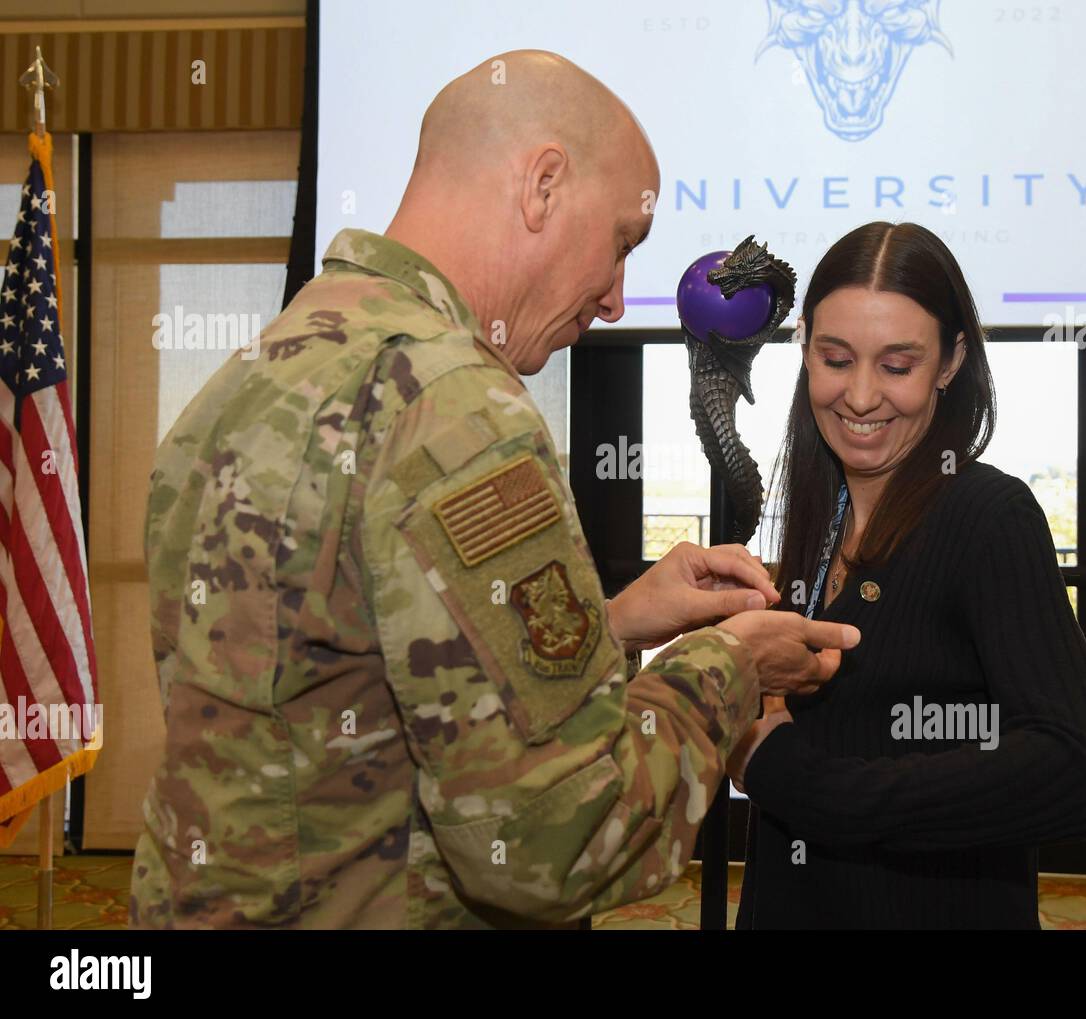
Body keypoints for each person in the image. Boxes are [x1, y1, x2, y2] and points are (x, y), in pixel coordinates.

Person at [130, 50, 858, 930]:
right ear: (543, 185)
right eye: (621, 244)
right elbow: (558, 841)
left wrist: (617, 621)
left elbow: (341, 676)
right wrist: (734, 665)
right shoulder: (454, 404)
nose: (617, 298)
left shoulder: (251, 378)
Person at [728, 222, 1086, 929]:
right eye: (835, 358)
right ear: (805, 350)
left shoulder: (987, 515)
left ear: (950, 362)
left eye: (898, 365)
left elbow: (1081, 769)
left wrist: (811, 785)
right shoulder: (822, 513)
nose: (859, 395)